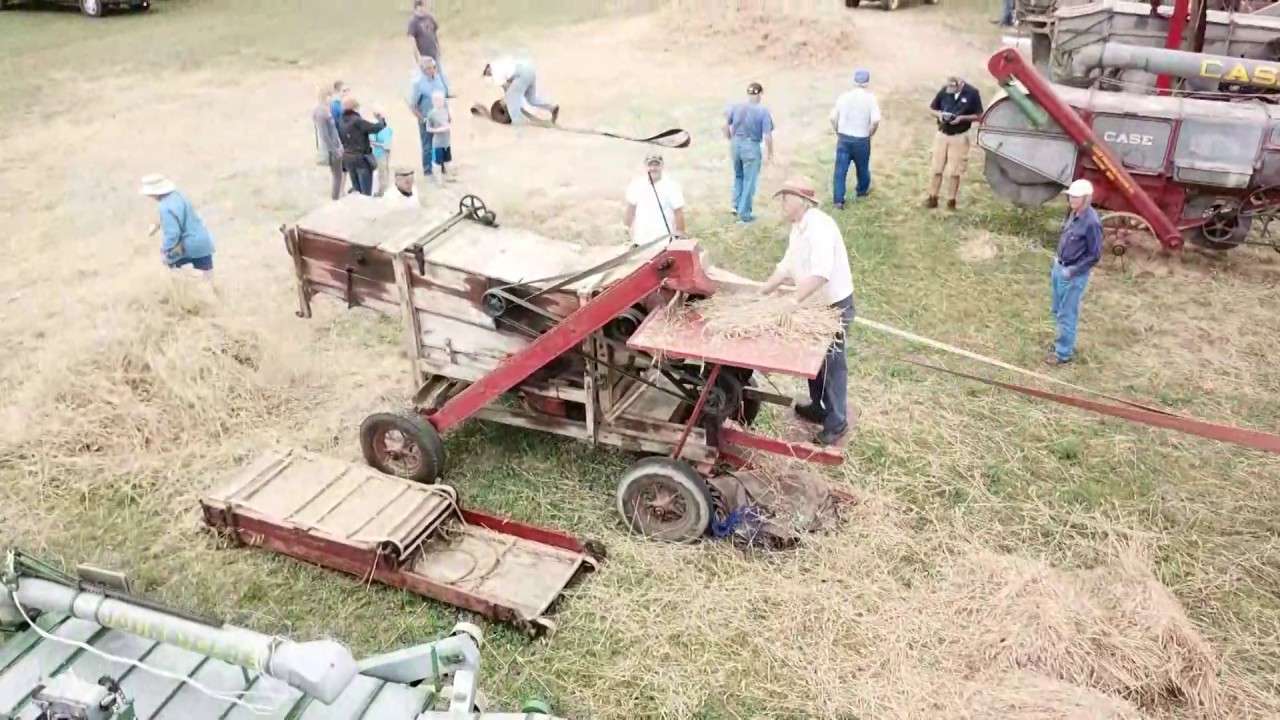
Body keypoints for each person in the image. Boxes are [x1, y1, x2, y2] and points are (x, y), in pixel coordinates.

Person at [759, 176, 855, 446]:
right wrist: (762, 292)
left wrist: (792, 302)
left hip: (834, 306)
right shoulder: (798, 228)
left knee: (833, 363)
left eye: (786, 198)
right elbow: (787, 265)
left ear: (802, 201)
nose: (782, 203)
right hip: (814, 304)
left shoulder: (820, 227)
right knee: (814, 358)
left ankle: (837, 422)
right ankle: (819, 407)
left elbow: (821, 274)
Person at [1048, 179, 1103, 366]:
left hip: (1072, 274)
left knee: (1066, 314)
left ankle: (1063, 354)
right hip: (1059, 267)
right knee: (1057, 309)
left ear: (1086, 198)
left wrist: (1073, 270)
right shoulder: (1072, 213)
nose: (1071, 199)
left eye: (1075, 196)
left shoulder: (1092, 223)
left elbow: (1094, 255)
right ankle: (1061, 342)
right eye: (1070, 196)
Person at [141, 174, 215, 281]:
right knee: (208, 281)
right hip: (203, 242)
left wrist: (166, 250)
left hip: (188, 245)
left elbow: (173, 234)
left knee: (170, 273)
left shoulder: (165, 207)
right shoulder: (179, 196)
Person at [925, 75, 984, 211]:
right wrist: (939, 115)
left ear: (960, 85)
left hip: (959, 136)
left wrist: (962, 118)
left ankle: (951, 200)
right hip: (942, 134)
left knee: (955, 171)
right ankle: (932, 197)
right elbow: (932, 109)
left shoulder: (972, 94)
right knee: (936, 168)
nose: (950, 91)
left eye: (953, 89)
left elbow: (979, 115)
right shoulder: (945, 90)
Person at [829, 68, 880, 209]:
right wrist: (870, 133)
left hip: (844, 138)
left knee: (840, 171)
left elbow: (832, 117)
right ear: (867, 82)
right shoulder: (871, 99)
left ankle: (838, 200)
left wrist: (838, 131)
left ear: (854, 81)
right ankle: (862, 191)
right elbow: (875, 121)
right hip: (861, 139)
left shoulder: (844, 96)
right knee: (862, 168)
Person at [725, 82, 775, 223]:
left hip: (736, 143)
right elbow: (767, 135)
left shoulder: (736, 106)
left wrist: (730, 138)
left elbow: (725, 124)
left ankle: (735, 205)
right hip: (751, 145)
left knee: (738, 175)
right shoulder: (763, 111)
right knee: (749, 180)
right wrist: (770, 153)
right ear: (759, 94)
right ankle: (744, 213)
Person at [624, 153, 686, 247]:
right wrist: (626, 231)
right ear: (645, 166)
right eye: (650, 165)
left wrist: (680, 236)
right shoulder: (636, 185)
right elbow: (630, 209)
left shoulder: (671, 187)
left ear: (662, 166)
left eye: (656, 165)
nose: (653, 168)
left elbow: (679, 212)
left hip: (664, 242)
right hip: (641, 242)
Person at [484, 55, 560, 126]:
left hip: (521, 75)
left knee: (511, 95)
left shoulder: (495, 74)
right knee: (532, 99)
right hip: (530, 73)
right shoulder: (500, 63)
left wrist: (503, 102)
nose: (487, 75)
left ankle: (517, 121)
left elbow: (508, 88)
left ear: (488, 68)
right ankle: (552, 108)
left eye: (485, 73)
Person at [338, 96, 386, 197]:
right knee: (365, 191)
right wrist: (381, 119)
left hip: (348, 157)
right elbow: (375, 128)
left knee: (356, 189)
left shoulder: (341, 121)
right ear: (355, 108)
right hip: (361, 158)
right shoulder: (357, 121)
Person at [411, 57, 448, 177]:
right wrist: (422, 118)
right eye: (432, 68)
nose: (435, 70)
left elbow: (444, 97)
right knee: (427, 145)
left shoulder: (439, 79)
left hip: (441, 117)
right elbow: (413, 105)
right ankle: (428, 171)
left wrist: (448, 114)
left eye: (435, 67)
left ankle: (442, 166)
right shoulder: (418, 84)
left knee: (443, 143)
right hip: (426, 118)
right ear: (425, 70)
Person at [407, 0, 450, 96]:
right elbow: (412, 39)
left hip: (433, 51)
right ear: (417, 8)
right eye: (421, 6)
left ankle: (445, 92)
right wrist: (417, 55)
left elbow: (436, 34)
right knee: (423, 76)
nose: (424, 9)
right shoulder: (413, 22)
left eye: (425, 6)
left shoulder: (430, 18)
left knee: (440, 72)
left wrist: (439, 47)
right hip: (423, 54)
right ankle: (420, 95)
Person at [314, 85, 345, 201]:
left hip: (336, 145)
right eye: (329, 96)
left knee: (339, 175)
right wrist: (334, 149)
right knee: (337, 176)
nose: (331, 99)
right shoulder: (320, 112)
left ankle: (336, 198)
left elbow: (334, 130)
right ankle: (335, 199)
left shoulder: (327, 110)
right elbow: (324, 134)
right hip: (331, 150)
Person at [425, 90, 454, 186]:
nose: (441, 103)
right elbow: (428, 129)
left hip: (447, 141)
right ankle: (439, 181)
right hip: (437, 143)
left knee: (448, 161)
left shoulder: (445, 111)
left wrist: (450, 117)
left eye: (442, 100)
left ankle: (449, 177)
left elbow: (450, 121)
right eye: (439, 100)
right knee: (437, 162)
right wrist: (439, 130)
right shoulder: (431, 114)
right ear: (434, 101)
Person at [370, 112, 393, 197]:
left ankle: (385, 191)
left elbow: (389, 138)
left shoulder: (388, 128)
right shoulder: (374, 128)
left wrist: (388, 147)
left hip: (386, 153)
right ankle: (379, 192)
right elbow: (371, 141)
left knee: (386, 171)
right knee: (380, 172)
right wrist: (382, 145)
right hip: (378, 153)